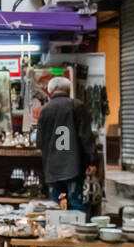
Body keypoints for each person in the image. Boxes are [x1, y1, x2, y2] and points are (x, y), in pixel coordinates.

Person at [35, 75, 96, 213]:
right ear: (69, 90)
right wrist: (92, 161)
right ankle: (77, 232)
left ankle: (60, 233)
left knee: (56, 207)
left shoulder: (45, 110)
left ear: (50, 92)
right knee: (76, 206)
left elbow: (39, 142)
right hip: (74, 167)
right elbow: (86, 137)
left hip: (52, 168)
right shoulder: (77, 106)